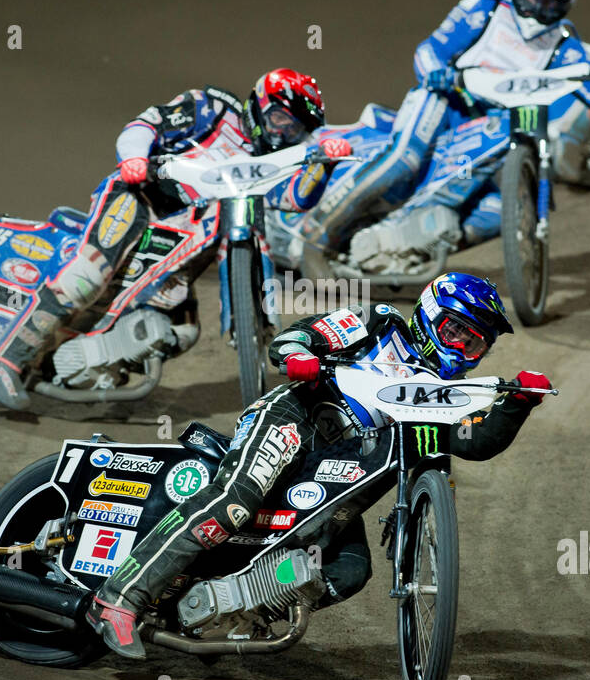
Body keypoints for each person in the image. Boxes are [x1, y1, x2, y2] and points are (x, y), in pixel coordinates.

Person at [87, 272, 554, 659]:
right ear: (431, 315)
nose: (460, 348)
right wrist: (302, 358)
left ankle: (234, 610)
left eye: (474, 345)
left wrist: (519, 403)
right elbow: (295, 338)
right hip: (297, 421)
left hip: (340, 481)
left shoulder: (447, 398)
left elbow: (476, 442)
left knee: (349, 570)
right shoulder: (380, 323)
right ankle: (118, 598)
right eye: (455, 331)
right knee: (233, 504)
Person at [0, 69, 351, 409]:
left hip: (181, 248)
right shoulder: (214, 109)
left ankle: (78, 360)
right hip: (142, 200)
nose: (282, 133)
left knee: (183, 329)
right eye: (280, 119)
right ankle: (5, 359)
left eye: (295, 130)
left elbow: (293, 199)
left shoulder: (271, 162)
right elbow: (147, 123)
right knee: (86, 277)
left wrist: (323, 165)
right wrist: (135, 158)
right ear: (260, 106)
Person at [297, 0, 590, 260]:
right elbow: (429, 51)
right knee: (405, 159)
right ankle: (320, 230)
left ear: (566, 5)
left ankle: (412, 246)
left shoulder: (565, 44)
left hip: (497, 130)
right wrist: (437, 74)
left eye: (552, 2)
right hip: (447, 101)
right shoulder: (481, 10)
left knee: (504, 210)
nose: (540, 9)